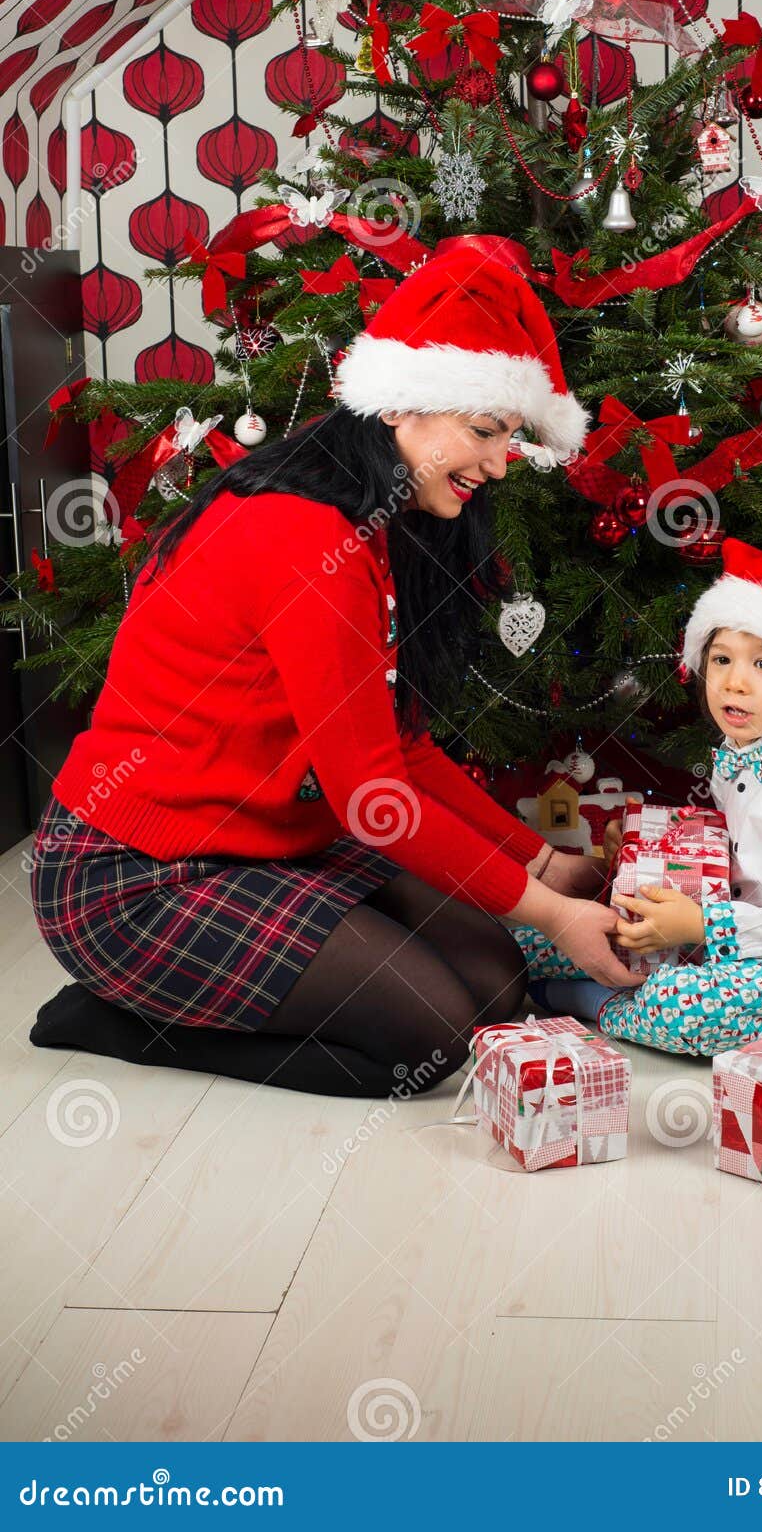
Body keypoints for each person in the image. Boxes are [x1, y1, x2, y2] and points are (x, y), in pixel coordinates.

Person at [29, 242, 644, 1099]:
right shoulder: (305, 538)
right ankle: (120, 1023)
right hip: (134, 874)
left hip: (264, 848)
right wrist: (558, 917)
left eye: (508, 437)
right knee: (428, 1037)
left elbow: (403, 751)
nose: (500, 464)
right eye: (483, 432)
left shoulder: (369, 528)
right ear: (402, 409)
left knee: (496, 985)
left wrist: (543, 865)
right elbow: (369, 799)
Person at [517, 537, 762, 1058]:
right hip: (736, 935)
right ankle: (568, 977)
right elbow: (717, 851)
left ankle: (592, 1000)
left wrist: (702, 925)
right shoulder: (737, 751)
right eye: (721, 660)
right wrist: (639, 855)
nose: (735, 683)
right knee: (549, 940)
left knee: (680, 1001)